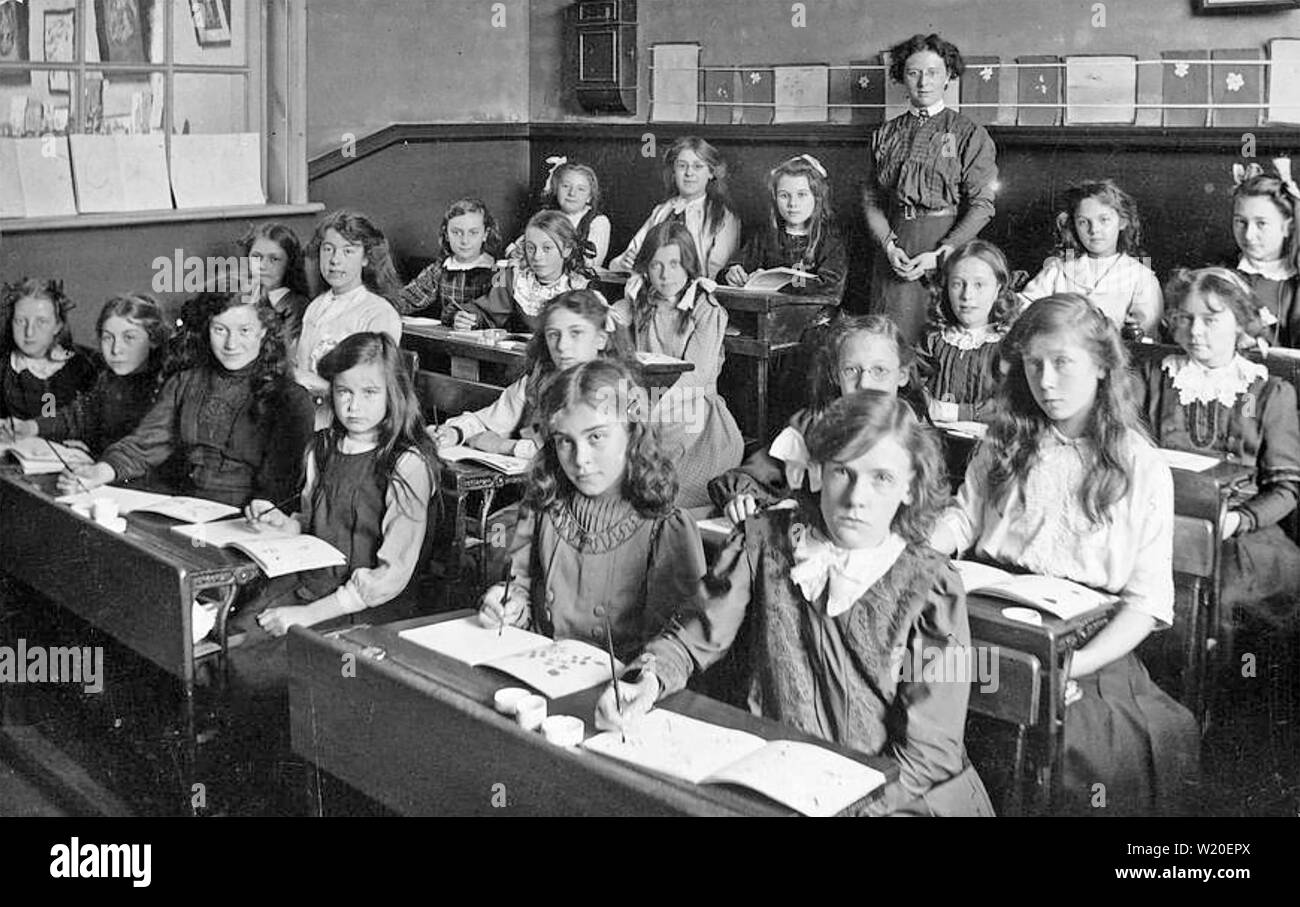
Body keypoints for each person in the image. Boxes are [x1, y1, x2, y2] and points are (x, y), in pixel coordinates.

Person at [599, 390, 995, 816]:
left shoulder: (934, 589)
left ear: (910, 487)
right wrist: (650, 678)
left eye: (881, 478)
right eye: (843, 471)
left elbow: (929, 754)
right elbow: (693, 636)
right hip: (784, 775)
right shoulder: (762, 540)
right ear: (817, 471)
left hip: (896, 796)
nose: (856, 497)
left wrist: (848, 807)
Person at [931, 293, 1201, 816]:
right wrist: (914, 553)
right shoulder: (1005, 438)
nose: (1046, 382)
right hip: (984, 625)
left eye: (1063, 363)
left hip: (1087, 646)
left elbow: (1146, 604)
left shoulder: (1138, 464)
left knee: (1080, 756)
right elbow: (963, 519)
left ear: (1102, 366)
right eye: (1033, 364)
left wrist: (1072, 667)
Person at [231, 332, 438, 682]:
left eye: (370, 393)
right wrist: (287, 524)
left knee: (253, 669)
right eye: (344, 392)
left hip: (365, 609)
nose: (354, 407)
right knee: (228, 638)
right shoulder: (322, 448)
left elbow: (390, 578)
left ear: (395, 394)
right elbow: (315, 522)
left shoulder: (407, 464)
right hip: (311, 585)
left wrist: (308, 615)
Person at [478, 358, 706, 662]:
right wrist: (508, 605)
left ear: (632, 432)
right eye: (564, 442)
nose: (580, 459)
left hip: (619, 691)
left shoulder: (666, 529)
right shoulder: (542, 507)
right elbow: (517, 582)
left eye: (596, 437)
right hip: (540, 668)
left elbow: (676, 641)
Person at [1140, 267, 1300, 629]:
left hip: (1240, 534)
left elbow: (1287, 488)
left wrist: (1239, 520)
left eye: (1211, 320)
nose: (1195, 331)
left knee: (1220, 601)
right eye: (1186, 318)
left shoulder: (1267, 392)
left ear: (1241, 323)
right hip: (1160, 526)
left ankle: (1234, 678)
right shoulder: (1155, 378)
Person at [57, 292, 314, 509]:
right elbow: (145, 445)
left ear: (264, 331)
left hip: (247, 521)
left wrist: (260, 513)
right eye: (220, 330)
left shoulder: (290, 399)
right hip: (184, 509)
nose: (231, 343)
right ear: (207, 330)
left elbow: (278, 490)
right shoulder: (185, 382)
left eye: (244, 330)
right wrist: (98, 472)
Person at [709, 313, 920, 523]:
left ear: (902, 374)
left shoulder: (915, 438)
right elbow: (755, 475)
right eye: (851, 370)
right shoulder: (812, 426)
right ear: (836, 375)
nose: (864, 383)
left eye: (879, 370)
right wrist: (741, 497)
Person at [862, 33, 997, 343]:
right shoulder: (885, 134)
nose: (923, 82)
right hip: (895, 248)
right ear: (902, 77)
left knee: (934, 341)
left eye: (933, 72)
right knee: (889, 342)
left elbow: (983, 205)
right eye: (914, 72)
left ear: (948, 76)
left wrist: (941, 255)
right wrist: (889, 245)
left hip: (945, 247)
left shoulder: (967, 133)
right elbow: (871, 199)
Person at [615, 221, 743, 509]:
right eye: (656, 265)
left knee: (655, 488)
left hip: (694, 416)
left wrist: (647, 406)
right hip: (645, 402)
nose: (665, 275)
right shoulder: (642, 303)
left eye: (674, 264)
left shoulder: (706, 310)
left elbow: (696, 378)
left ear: (688, 264)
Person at [429, 288, 632, 458]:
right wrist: (455, 432)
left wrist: (504, 446)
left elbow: (568, 454)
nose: (562, 346)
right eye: (553, 335)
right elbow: (487, 420)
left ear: (601, 339)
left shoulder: (614, 391)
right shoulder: (538, 380)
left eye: (576, 333)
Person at [0, 294, 168, 455]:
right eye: (108, 338)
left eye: (129, 338)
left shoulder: (167, 386)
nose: (116, 350)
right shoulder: (109, 380)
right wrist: (31, 427)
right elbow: (79, 416)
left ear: (153, 339)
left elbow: (146, 448)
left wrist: (99, 454)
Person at [297, 209, 402, 428]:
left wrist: (298, 379)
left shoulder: (378, 313)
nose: (335, 260)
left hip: (351, 420)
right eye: (328, 249)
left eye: (348, 251)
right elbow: (303, 366)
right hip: (309, 412)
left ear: (366, 258)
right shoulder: (316, 306)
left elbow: (367, 388)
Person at [1020, 179, 1162, 337]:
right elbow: (1024, 309)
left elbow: (1145, 333)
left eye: (1104, 220)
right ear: (1073, 226)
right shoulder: (1058, 269)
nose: (1094, 229)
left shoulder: (1141, 277)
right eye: (1083, 222)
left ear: (1122, 222)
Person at [610, 136, 741, 281]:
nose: (689, 173)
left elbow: (717, 272)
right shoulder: (662, 211)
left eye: (697, 166)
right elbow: (626, 256)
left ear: (710, 173)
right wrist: (625, 262)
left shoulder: (722, 216)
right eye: (682, 166)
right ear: (673, 172)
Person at [918, 239, 1019, 424]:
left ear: (998, 289)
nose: (967, 295)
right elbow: (914, 389)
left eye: (979, 285)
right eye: (957, 284)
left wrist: (954, 413)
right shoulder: (933, 339)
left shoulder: (1007, 345)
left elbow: (1009, 406)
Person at [723, 153, 846, 302]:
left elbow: (831, 288)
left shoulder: (829, 240)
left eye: (801, 195)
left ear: (817, 198)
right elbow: (736, 266)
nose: (792, 204)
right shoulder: (765, 236)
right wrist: (732, 272)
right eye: (784, 195)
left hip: (815, 319)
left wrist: (775, 284)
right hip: (765, 319)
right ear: (775, 198)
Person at [455, 210, 592, 333]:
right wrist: (468, 318)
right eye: (531, 248)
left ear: (567, 249)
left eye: (547, 248)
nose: (537, 257)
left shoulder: (581, 287)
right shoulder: (512, 277)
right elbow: (487, 312)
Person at [0, 278, 95, 421]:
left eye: (41, 322)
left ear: (57, 325)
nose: (29, 332)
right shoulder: (4, 367)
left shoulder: (85, 367)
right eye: (20, 321)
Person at [393, 197, 501, 322]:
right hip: (449, 338)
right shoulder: (441, 268)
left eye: (473, 233)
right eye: (456, 232)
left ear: (485, 234)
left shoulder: (499, 270)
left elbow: (499, 313)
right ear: (446, 235)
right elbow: (410, 297)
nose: (465, 241)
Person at [1230, 161, 1300, 348]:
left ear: (1287, 226)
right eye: (1241, 222)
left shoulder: (1295, 284)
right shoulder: (1223, 273)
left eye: (1261, 223)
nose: (1248, 235)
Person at [239, 222, 311, 357]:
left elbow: (284, 354)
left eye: (274, 259)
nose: (263, 266)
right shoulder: (241, 298)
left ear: (289, 263)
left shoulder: (295, 305)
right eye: (256, 257)